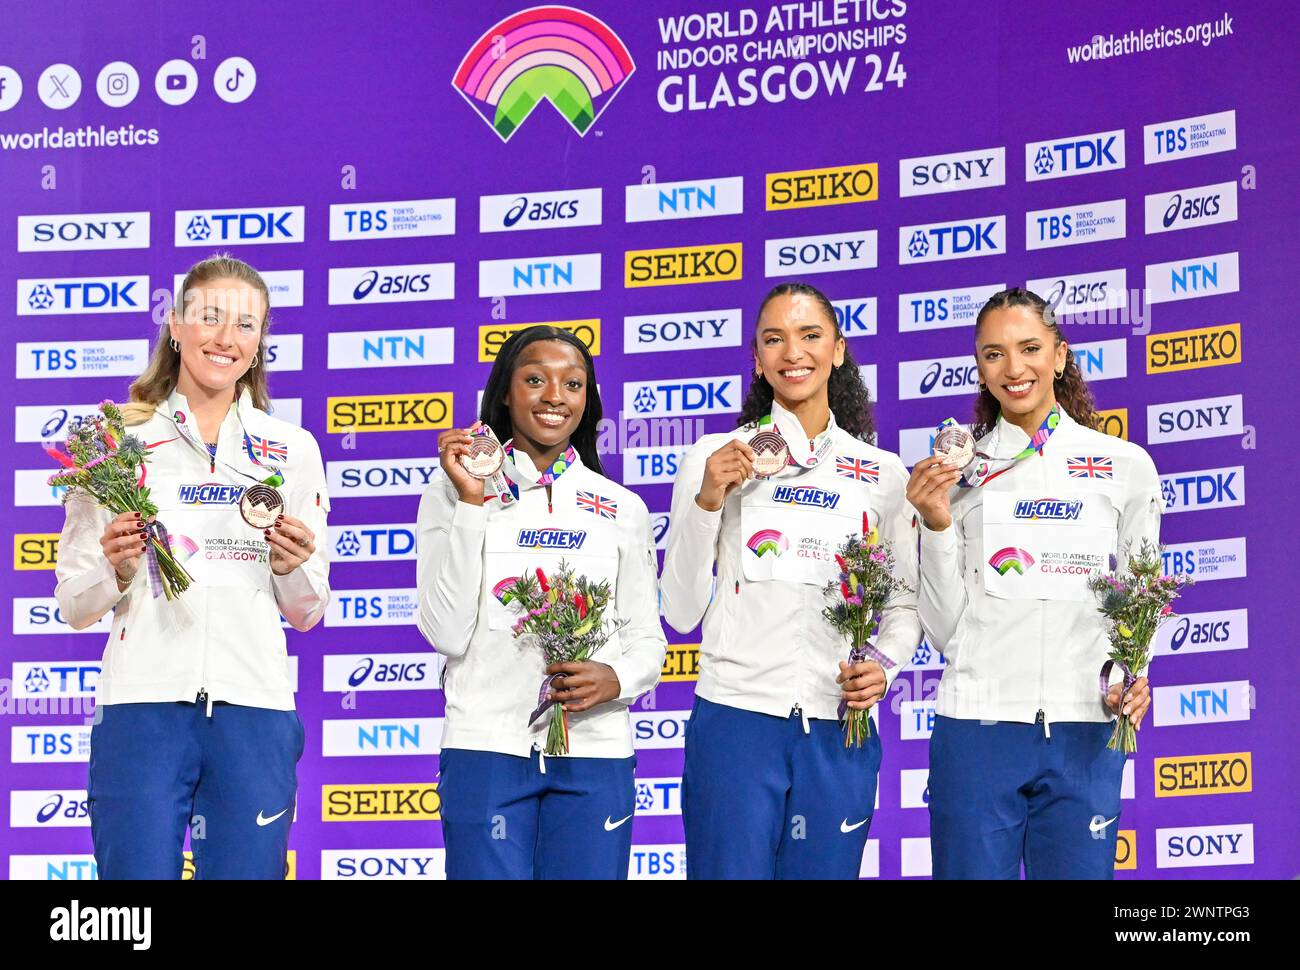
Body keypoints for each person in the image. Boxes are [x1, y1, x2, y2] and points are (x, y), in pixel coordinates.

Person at [54, 254, 329, 879]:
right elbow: (74, 604)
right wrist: (115, 572)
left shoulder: (292, 448)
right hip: (141, 708)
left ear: (260, 344)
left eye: (246, 325)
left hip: (254, 711)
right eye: (209, 317)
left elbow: (309, 610)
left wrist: (291, 566)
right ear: (174, 325)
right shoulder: (113, 441)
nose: (225, 338)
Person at [661, 281, 922, 879]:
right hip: (736, 724)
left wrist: (886, 663)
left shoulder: (881, 474)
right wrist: (707, 500)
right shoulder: (714, 455)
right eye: (773, 339)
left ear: (838, 350)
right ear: (757, 359)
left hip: (839, 726)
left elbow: (905, 604)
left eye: (809, 336)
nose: (792, 352)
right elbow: (678, 610)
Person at [907, 287, 1161, 880]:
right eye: (994, 354)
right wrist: (938, 525)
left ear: (1061, 356)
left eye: (1029, 348)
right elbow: (946, 633)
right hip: (976, 729)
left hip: (1084, 730)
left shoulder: (1125, 466)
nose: (1014, 368)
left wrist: (1133, 674)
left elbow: (1143, 598)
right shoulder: (959, 474)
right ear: (979, 366)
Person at [417, 325, 666, 880]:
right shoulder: (452, 493)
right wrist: (471, 504)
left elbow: (649, 643)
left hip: (594, 753)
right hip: (485, 748)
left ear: (587, 400)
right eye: (535, 379)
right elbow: (445, 632)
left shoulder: (621, 508)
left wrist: (616, 679)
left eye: (572, 384)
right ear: (505, 391)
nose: (555, 396)